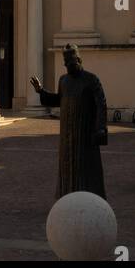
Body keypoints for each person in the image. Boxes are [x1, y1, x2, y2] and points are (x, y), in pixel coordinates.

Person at [31, 44, 108, 198]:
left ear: (79, 60)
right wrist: (41, 91)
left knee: (86, 166)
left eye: (70, 63)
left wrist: (100, 128)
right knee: (68, 165)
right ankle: (67, 195)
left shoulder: (91, 80)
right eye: (66, 63)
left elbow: (101, 104)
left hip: (85, 133)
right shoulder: (64, 81)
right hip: (68, 134)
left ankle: (90, 196)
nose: (67, 66)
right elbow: (59, 100)